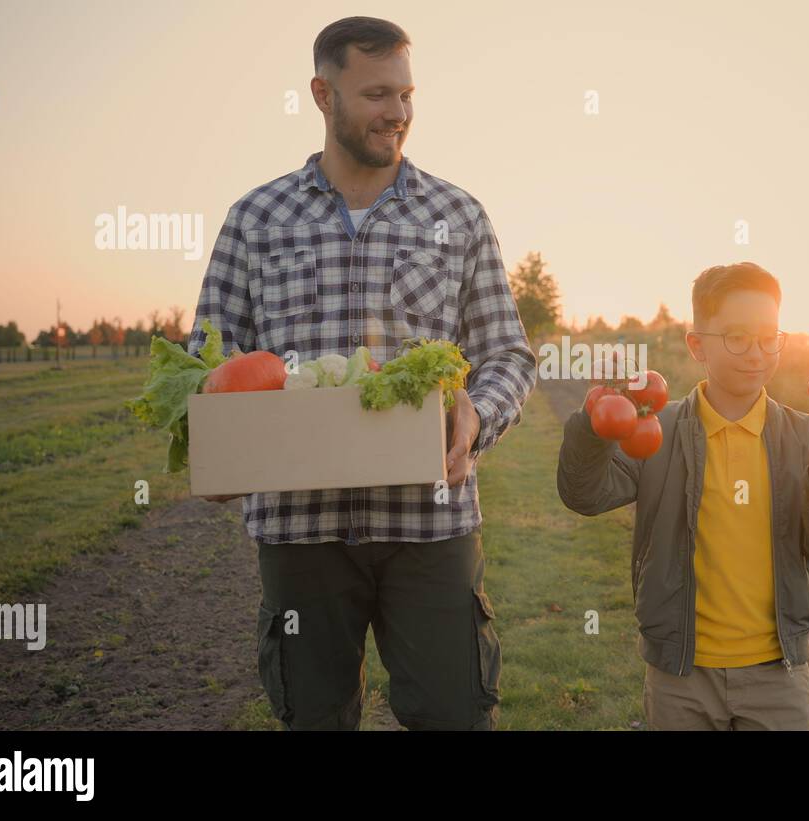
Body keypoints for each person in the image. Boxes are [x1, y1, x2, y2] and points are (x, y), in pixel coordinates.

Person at [187, 17, 537, 730]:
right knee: (314, 716)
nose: (399, 113)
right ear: (322, 94)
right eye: (378, 94)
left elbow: (507, 354)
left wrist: (478, 415)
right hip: (299, 532)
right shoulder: (256, 220)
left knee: (454, 713)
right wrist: (216, 442)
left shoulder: (458, 215)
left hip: (428, 525)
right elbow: (207, 363)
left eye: (407, 94)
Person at [557, 262, 809, 730]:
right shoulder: (656, 433)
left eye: (769, 337)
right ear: (696, 345)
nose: (755, 353)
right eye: (736, 337)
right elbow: (583, 494)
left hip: (778, 677)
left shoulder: (805, 436)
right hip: (681, 677)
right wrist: (596, 422)